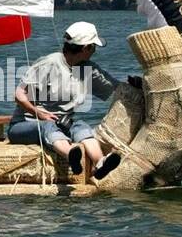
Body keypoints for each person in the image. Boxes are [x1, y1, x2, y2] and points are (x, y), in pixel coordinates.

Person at [8, 21, 123, 180]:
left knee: (81, 126)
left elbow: (116, 88)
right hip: (24, 125)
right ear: (85, 48)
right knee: (48, 125)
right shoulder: (49, 63)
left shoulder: (87, 68)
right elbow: (19, 94)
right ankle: (71, 155)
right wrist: (39, 114)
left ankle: (100, 163)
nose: (94, 51)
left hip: (63, 123)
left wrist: (138, 85)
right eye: (93, 47)